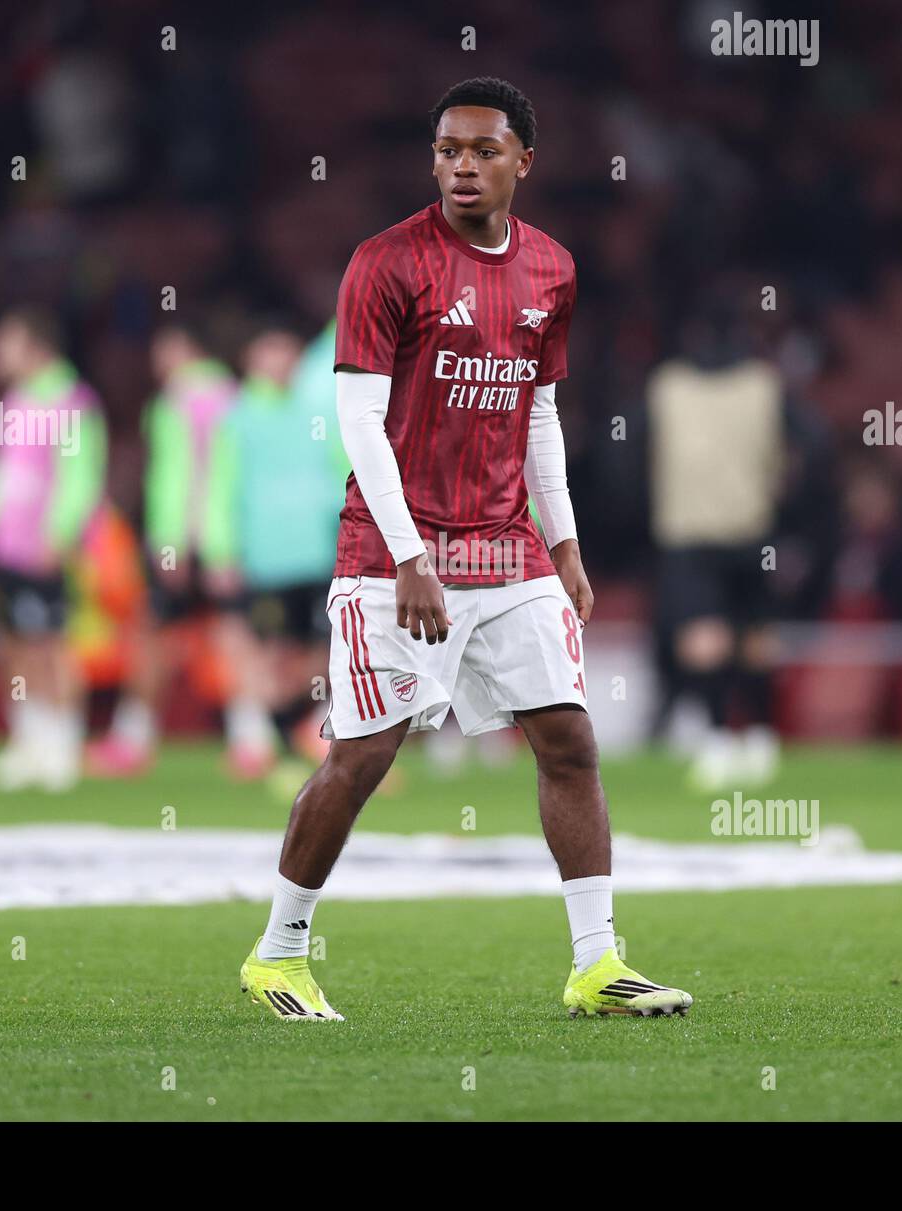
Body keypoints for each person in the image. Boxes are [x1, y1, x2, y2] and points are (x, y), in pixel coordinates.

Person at [238, 77, 691, 1021]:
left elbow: (539, 412)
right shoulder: (385, 262)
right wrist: (409, 557)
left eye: (484, 150)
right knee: (364, 756)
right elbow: (359, 422)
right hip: (391, 551)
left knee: (568, 737)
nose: (463, 166)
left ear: (524, 161)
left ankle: (597, 963)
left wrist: (563, 542)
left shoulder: (553, 271)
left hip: (506, 547)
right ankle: (279, 952)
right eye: (448, 150)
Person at [86, 318, 275, 779]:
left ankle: (133, 739)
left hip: (188, 538)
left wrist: (179, 540)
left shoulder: (180, 399)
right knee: (234, 633)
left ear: (183, 348)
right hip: (227, 537)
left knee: (154, 639)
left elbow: (195, 471)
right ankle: (252, 740)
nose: (156, 360)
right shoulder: (235, 395)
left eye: (163, 349)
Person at [0, 307, 106, 791]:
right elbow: (1, 471)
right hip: (6, 546)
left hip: (45, 546)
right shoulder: (15, 400)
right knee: (11, 643)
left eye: (4, 342)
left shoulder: (73, 400)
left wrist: (60, 534)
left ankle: (62, 743)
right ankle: (28, 740)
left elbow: (82, 475)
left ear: (35, 346)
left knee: (51, 643)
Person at [646, 306, 785, 790]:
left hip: (691, 533)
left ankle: (719, 740)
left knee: (707, 643)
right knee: (753, 641)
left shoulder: (668, 387)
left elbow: (632, 458)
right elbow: (799, 453)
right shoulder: (764, 386)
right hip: (751, 530)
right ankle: (762, 741)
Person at [203, 319, 346, 768]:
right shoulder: (238, 419)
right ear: (252, 361)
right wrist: (220, 549)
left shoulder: (317, 414)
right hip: (265, 558)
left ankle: (297, 725)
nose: (283, 361)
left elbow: (342, 477)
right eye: (272, 351)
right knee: (268, 649)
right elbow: (221, 488)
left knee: (322, 651)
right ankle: (259, 734)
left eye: (290, 351)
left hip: (317, 554)